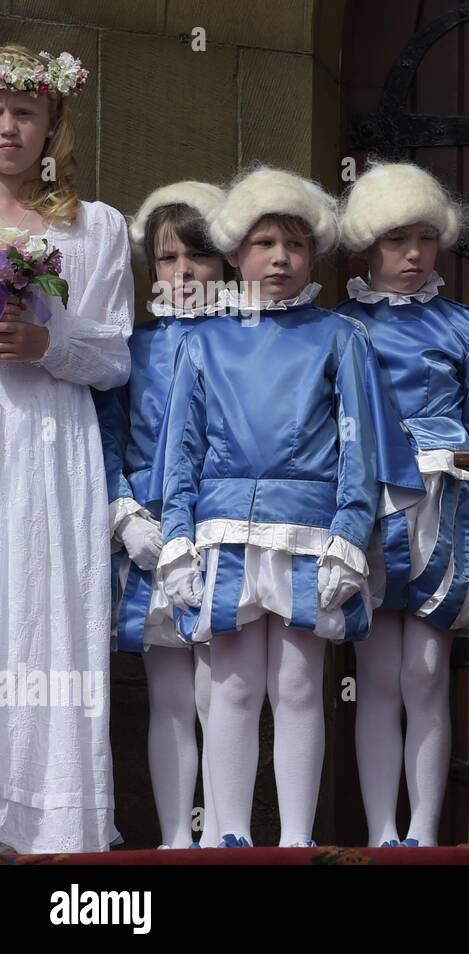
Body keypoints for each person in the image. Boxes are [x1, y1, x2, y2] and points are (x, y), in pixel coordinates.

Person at [150, 166, 424, 846]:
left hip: (309, 535)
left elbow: (360, 449)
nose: (280, 258)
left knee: (301, 688)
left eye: (296, 245)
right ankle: (230, 837)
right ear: (235, 253)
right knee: (235, 690)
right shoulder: (200, 339)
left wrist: (349, 538)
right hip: (222, 533)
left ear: (315, 256)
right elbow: (178, 451)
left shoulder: (340, 338)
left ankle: (298, 841)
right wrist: (177, 538)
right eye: (265, 243)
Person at [336, 162, 469, 847]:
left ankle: (421, 832)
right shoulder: (336, 328)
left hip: (440, 507)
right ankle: (381, 828)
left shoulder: (466, 328)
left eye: (425, 238)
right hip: (365, 508)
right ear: (366, 246)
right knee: (375, 674)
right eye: (396, 240)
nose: (414, 255)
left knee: (424, 671)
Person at [0, 45, 130, 854]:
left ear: (53, 124)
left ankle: (43, 824)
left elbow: (115, 356)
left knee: (43, 612)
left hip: (48, 443)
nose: (5, 127)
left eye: (22, 111)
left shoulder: (92, 227)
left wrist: (45, 340)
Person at [95, 181, 230, 847]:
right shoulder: (134, 346)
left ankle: (222, 834)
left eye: (198, 258)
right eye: (168, 260)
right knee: (170, 698)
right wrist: (123, 514)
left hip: (223, 534)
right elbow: (109, 436)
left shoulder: (245, 341)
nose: (183, 274)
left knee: (221, 694)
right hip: (150, 540)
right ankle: (177, 838)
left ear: (227, 261)